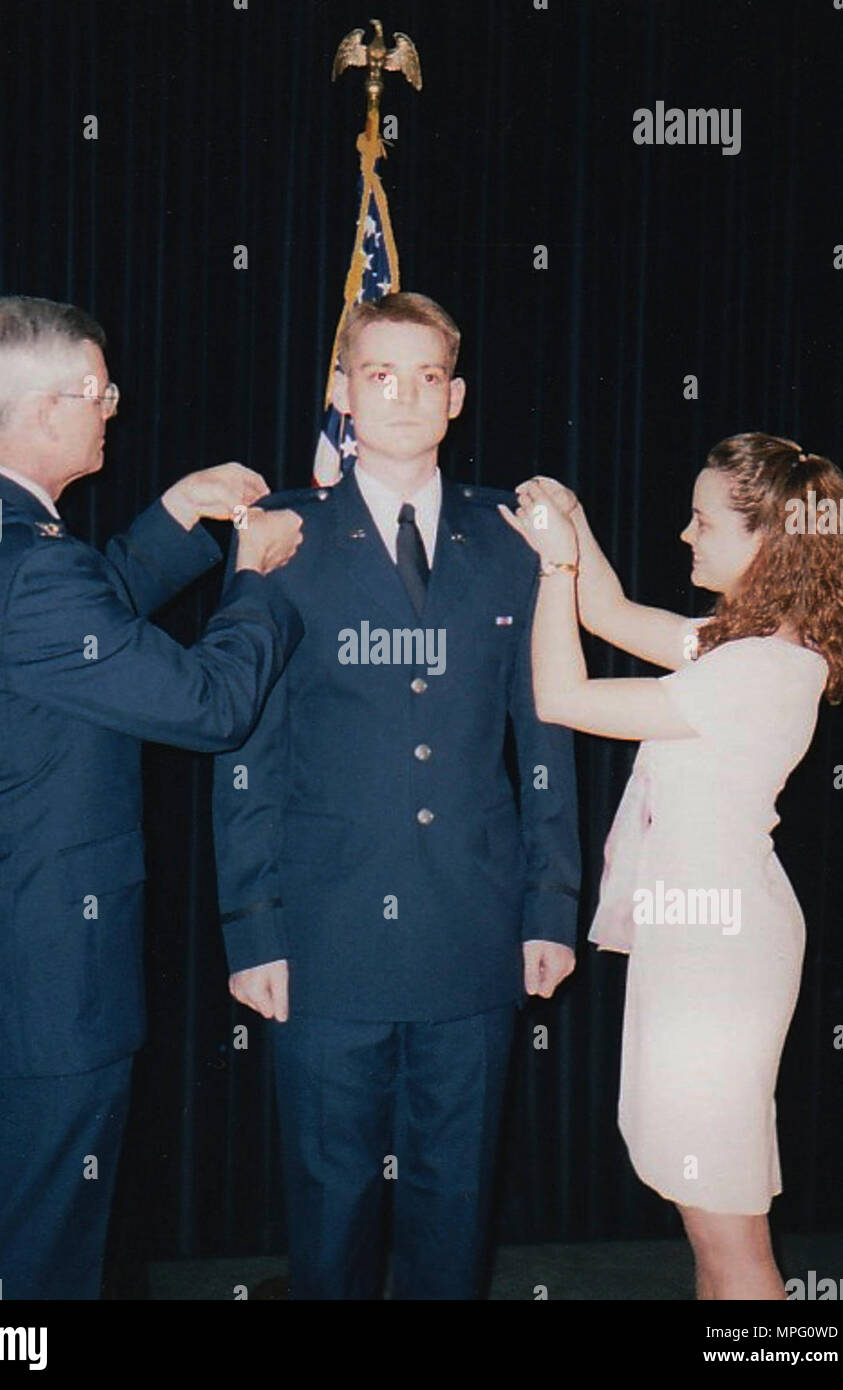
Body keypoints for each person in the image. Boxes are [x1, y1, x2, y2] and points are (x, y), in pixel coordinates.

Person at [0, 295, 305, 1299]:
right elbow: (209, 703)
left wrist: (173, 515)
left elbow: (83, 631)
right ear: (44, 408)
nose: (111, 410)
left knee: (8, 1245)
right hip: (47, 989)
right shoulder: (31, 567)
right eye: (98, 391)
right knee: (40, 1265)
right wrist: (252, 579)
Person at [212, 292, 581, 1299]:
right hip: (325, 929)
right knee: (330, 1202)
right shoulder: (281, 534)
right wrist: (252, 927)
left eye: (427, 376)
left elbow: (543, 728)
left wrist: (549, 904)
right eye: (380, 373)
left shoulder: (508, 536)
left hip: (473, 921)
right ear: (343, 391)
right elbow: (244, 742)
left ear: (455, 395)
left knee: (453, 1196)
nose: (404, 395)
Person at [499, 433, 843, 1300]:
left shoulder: (757, 670)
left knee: (729, 1232)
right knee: (711, 1217)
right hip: (707, 936)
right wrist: (578, 527)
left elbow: (564, 697)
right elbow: (612, 615)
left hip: (719, 951)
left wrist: (555, 568)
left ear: (768, 543)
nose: (686, 535)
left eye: (704, 521)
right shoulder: (749, 650)